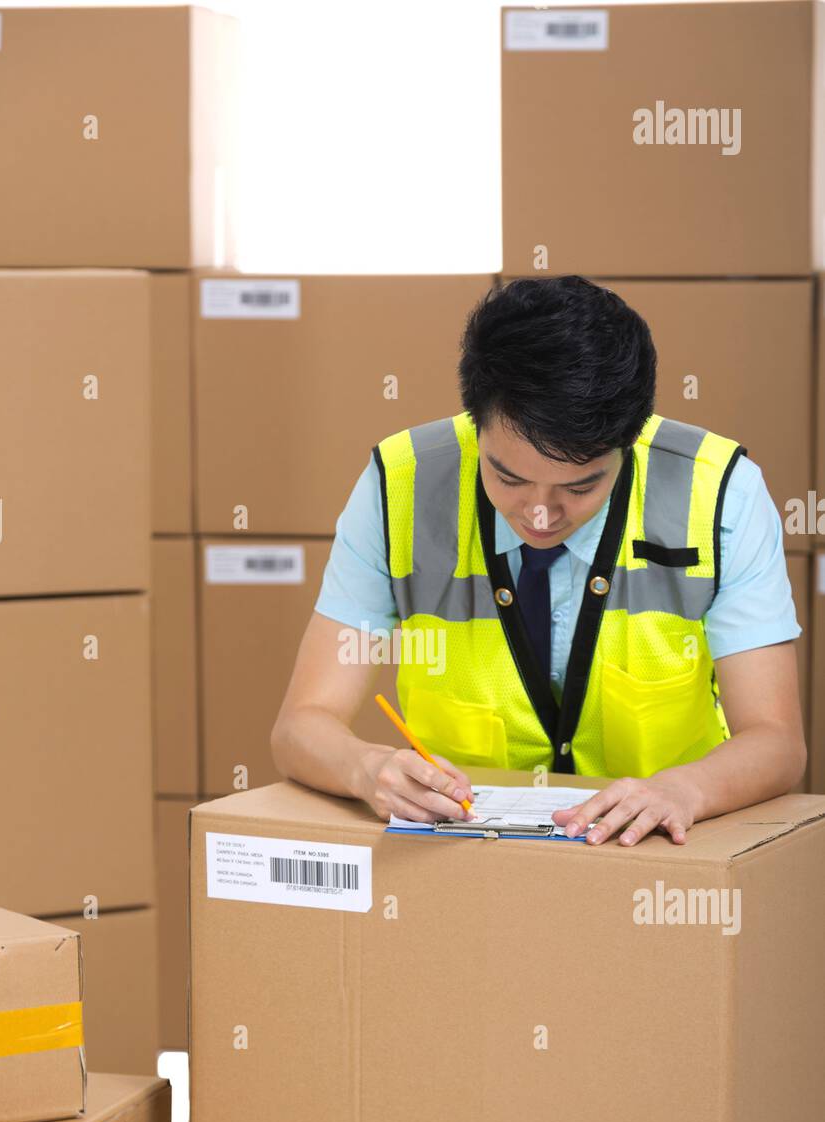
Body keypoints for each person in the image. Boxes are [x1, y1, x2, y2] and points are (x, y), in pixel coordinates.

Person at [272, 276, 805, 846]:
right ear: (476, 426)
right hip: (463, 854)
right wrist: (366, 767)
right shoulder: (398, 487)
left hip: (660, 852)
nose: (542, 516)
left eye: (580, 487)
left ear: (630, 441)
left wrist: (686, 790)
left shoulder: (721, 494)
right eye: (509, 478)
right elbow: (301, 726)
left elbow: (776, 741)